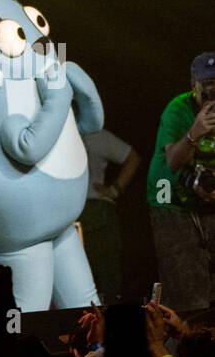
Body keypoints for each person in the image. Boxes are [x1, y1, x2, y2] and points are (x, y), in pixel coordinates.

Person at [146, 52, 215, 312]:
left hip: (207, 196)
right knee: (187, 287)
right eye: (207, 82)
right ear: (193, 84)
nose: (212, 89)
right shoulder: (178, 109)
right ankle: (184, 341)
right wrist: (194, 132)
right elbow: (174, 161)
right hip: (170, 198)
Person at [80, 127, 140, 304]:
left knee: (106, 276)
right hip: (64, 214)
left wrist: (115, 190)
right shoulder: (53, 134)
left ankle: (109, 325)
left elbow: (133, 158)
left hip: (96, 209)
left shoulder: (94, 134)